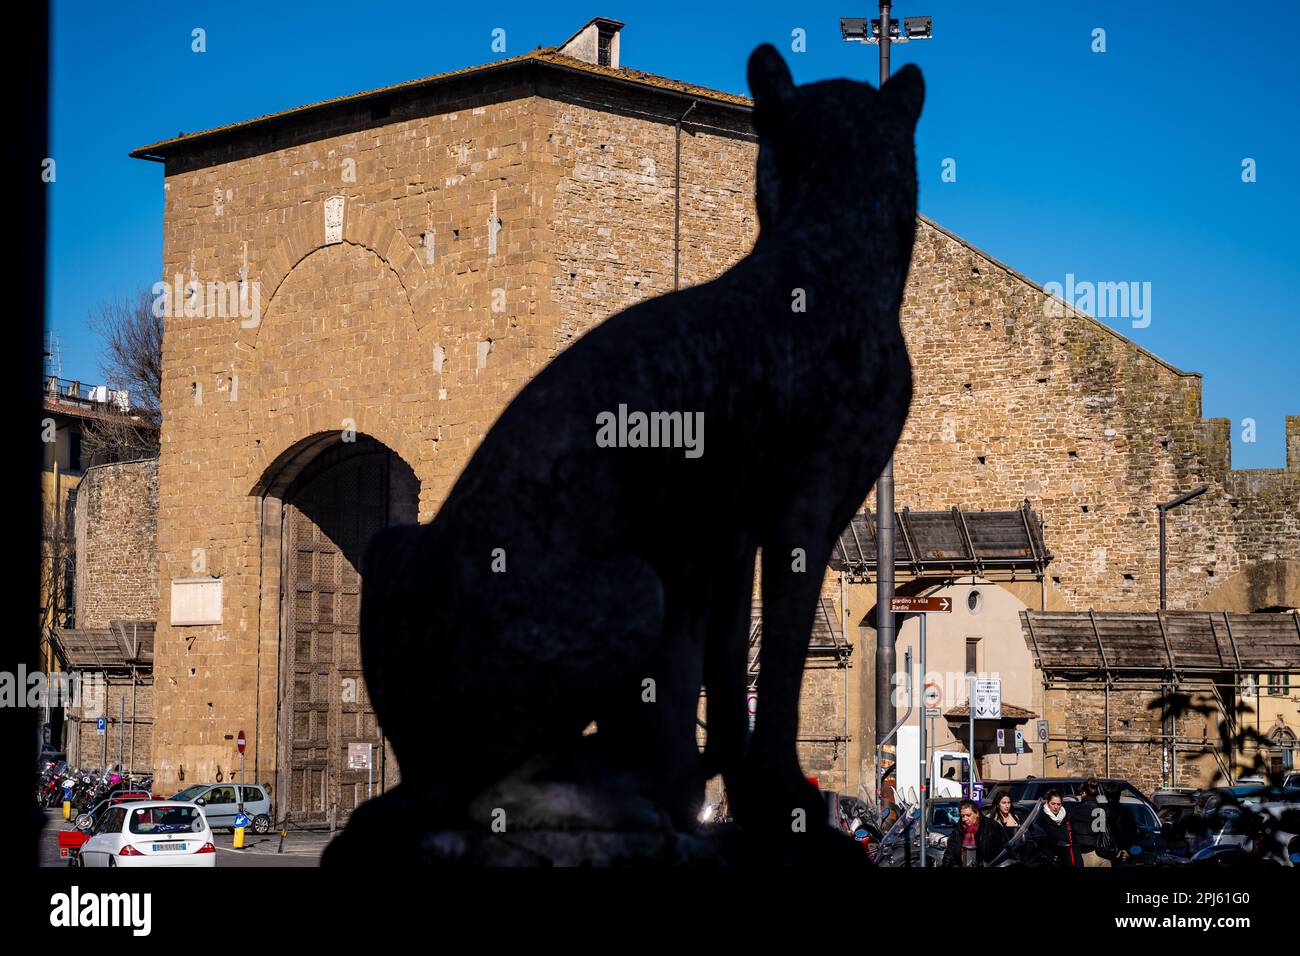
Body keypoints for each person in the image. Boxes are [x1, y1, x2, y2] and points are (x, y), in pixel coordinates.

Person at [942, 799, 1007, 867]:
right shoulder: (957, 831)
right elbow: (949, 855)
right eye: (962, 816)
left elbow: (1002, 854)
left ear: (977, 814)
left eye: (968, 815)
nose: (965, 819)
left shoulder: (993, 827)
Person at [1032, 789, 1082, 867]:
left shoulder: (1067, 818)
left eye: (1058, 804)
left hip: (1067, 859)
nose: (1056, 807)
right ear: (1047, 802)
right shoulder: (1041, 819)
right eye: (1053, 803)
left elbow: (1073, 841)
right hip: (1049, 859)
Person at [1073, 776, 1109, 867]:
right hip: (1104, 854)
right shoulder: (1103, 811)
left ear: (1084, 793)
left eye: (1080, 793)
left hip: (1085, 854)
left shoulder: (1076, 811)